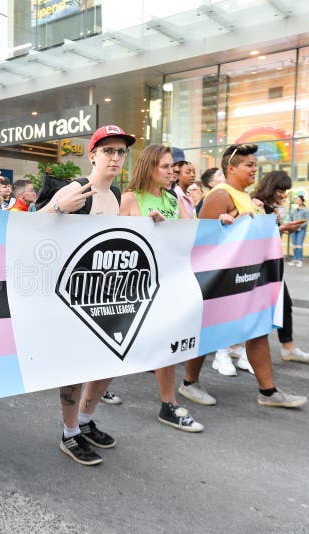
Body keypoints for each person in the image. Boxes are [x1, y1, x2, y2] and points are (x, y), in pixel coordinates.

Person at [178, 143, 307, 409]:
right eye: (249, 165)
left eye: (255, 165)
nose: (254, 169)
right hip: (223, 279)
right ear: (231, 168)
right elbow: (204, 239)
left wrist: (280, 228)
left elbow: (248, 234)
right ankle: (189, 383)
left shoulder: (246, 197)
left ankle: (268, 392)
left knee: (258, 329)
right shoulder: (220, 194)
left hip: (250, 277)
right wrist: (234, 219)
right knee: (208, 328)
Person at [39, 124, 134, 465]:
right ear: (92, 156)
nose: (116, 157)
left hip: (105, 296)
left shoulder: (117, 194)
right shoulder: (77, 188)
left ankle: (84, 420)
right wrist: (59, 207)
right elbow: (29, 226)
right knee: (74, 367)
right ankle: (69, 432)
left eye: (121, 151)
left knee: (108, 361)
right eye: (108, 150)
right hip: (72, 296)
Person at [120, 144, 203, 432]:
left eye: (173, 167)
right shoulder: (129, 198)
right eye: (165, 167)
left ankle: (168, 404)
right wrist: (146, 226)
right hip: (134, 288)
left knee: (166, 340)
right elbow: (116, 242)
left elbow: (192, 231)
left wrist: (223, 222)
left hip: (166, 285)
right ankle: (97, 390)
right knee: (117, 343)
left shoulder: (171, 198)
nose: (172, 172)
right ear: (149, 166)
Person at [252, 171, 309, 364]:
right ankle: (235, 349)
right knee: (256, 310)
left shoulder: (273, 208)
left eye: (285, 191)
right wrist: (282, 228)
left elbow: (270, 236)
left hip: (271, 264)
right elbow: (253, 236)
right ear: (270, 188)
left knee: (284, 303)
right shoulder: (255, 204)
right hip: (256, 266)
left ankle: (288, 347)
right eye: (280, 190)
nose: (283, 195)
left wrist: (282, 228)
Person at [288, 194, 309, 267]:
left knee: (299, 245)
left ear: (302, 201)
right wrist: (292, 226)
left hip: (301, 230)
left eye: (299, 200)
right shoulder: (293, 209)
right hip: (293, 230)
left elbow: (306, 220)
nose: (297, 201)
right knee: (294, 245)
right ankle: (295, 259)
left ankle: (299, 260)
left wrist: (299, 227)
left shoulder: (306, 210)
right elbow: (290, 218)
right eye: (296, 200)